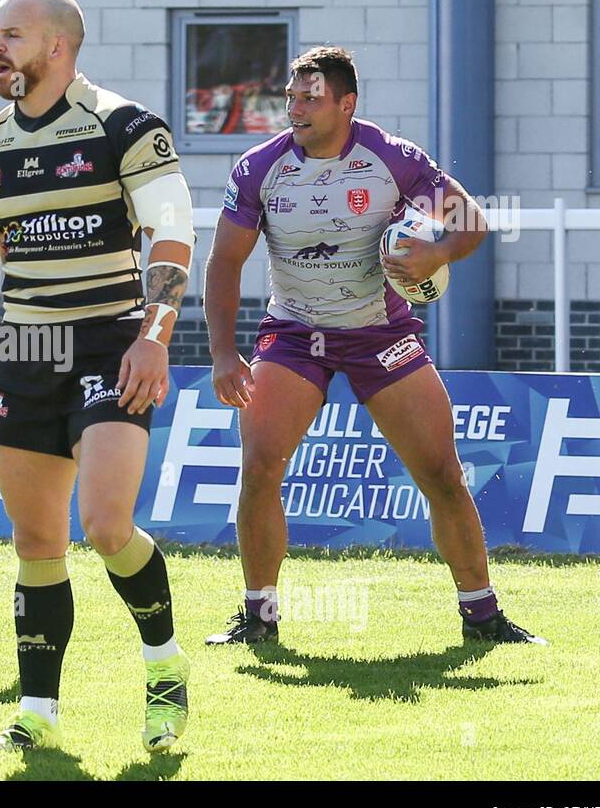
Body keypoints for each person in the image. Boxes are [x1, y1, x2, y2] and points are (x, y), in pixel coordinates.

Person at [203, 45, 545, 647]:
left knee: (441, 473)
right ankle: (257, 616)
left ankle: (483, 615)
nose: (296, 108)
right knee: (259, 467)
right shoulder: (260, 166)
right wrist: (225, 354)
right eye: (291, 97)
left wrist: (438, 251)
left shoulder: (391, 157)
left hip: (381, 334)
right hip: (293, 336)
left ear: (346, 103)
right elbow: (225, 262)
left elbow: (470, 219)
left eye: (311, 98)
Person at [0, 0, 196, 753]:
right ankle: (37, 718)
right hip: (25, 353)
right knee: (35, 545)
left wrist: (154, 335)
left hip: (108, 344)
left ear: (56, 47)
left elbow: (173, 232)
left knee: (105, 524)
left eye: (12, 35)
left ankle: (163, 666)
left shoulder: (125, 127)